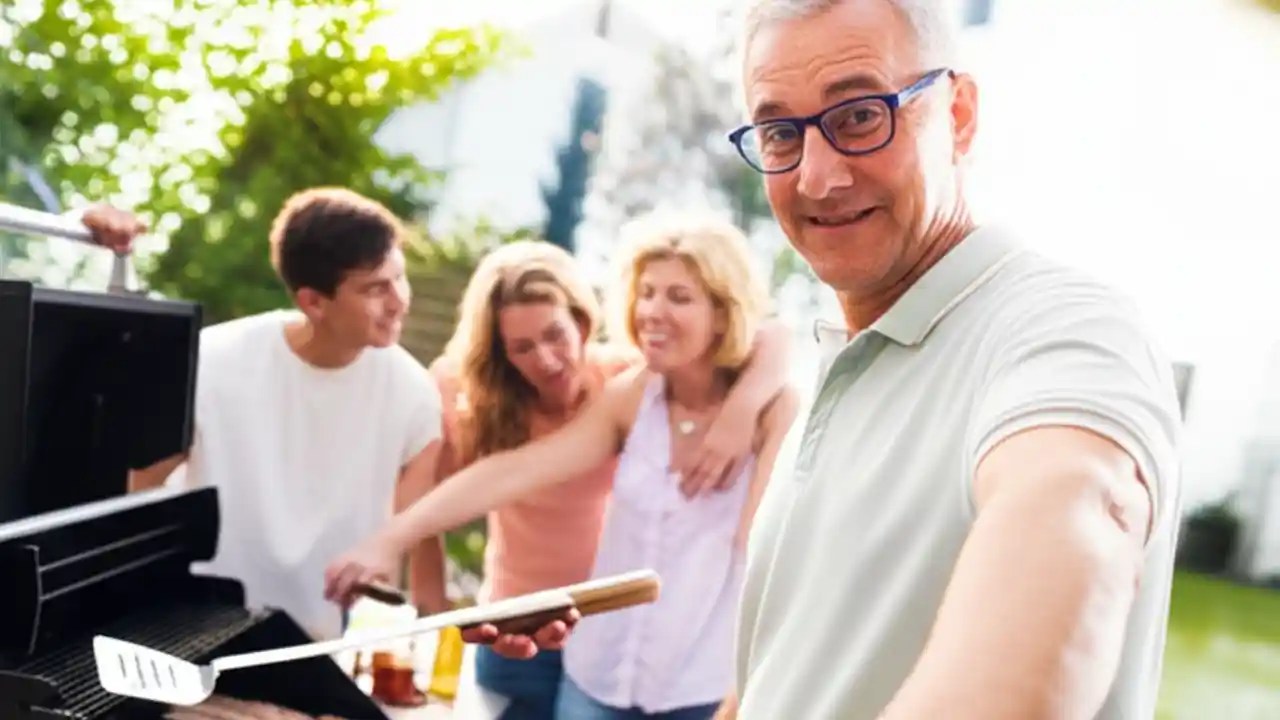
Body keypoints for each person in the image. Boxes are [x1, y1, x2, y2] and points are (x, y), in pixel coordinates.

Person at [707, 1, 1182, 718]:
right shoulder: (848, 362)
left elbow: (1079, 522)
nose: (817, 176)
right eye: (780, 132)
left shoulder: (1065, 331)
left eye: (861, 115)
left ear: (958, 114)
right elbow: (783, 671)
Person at [325, 211, 798, 720]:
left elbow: (767, 564)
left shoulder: (771, 408)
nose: (653, 312)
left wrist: (745, 696)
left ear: (724, 312)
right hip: (594, 675)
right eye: (647, 293)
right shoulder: (633, 395)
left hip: (698, 690)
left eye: (678, 297)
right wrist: (389, 540)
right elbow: (514, 471)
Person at [126, 186, 448, 640]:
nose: (399, 301)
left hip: (318, 646)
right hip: (193, 624)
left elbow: (402, 539)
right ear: (313, 302)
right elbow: (135, 491)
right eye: (376, 288)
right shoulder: (212, 361)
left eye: (400, 278)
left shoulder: (415, 394)